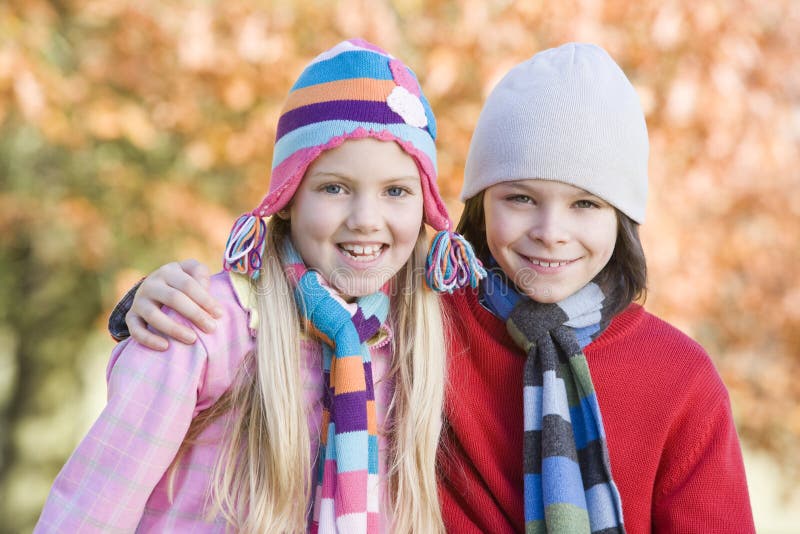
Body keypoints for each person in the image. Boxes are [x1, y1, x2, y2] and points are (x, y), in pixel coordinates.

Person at [107, 43, 755, 533]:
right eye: (520, 198)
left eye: (586, 204)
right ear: (476, 204)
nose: (550, 232)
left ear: (623, 219)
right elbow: (295, 287)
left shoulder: (682, 379)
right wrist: (152, 299)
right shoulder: (421, 313)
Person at [35, 39, 484, 533]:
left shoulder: (416, 337)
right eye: (334, 188)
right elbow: (93, 504)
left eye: (396, 191)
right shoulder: (204, 323)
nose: (365, 219)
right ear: (287, 199)